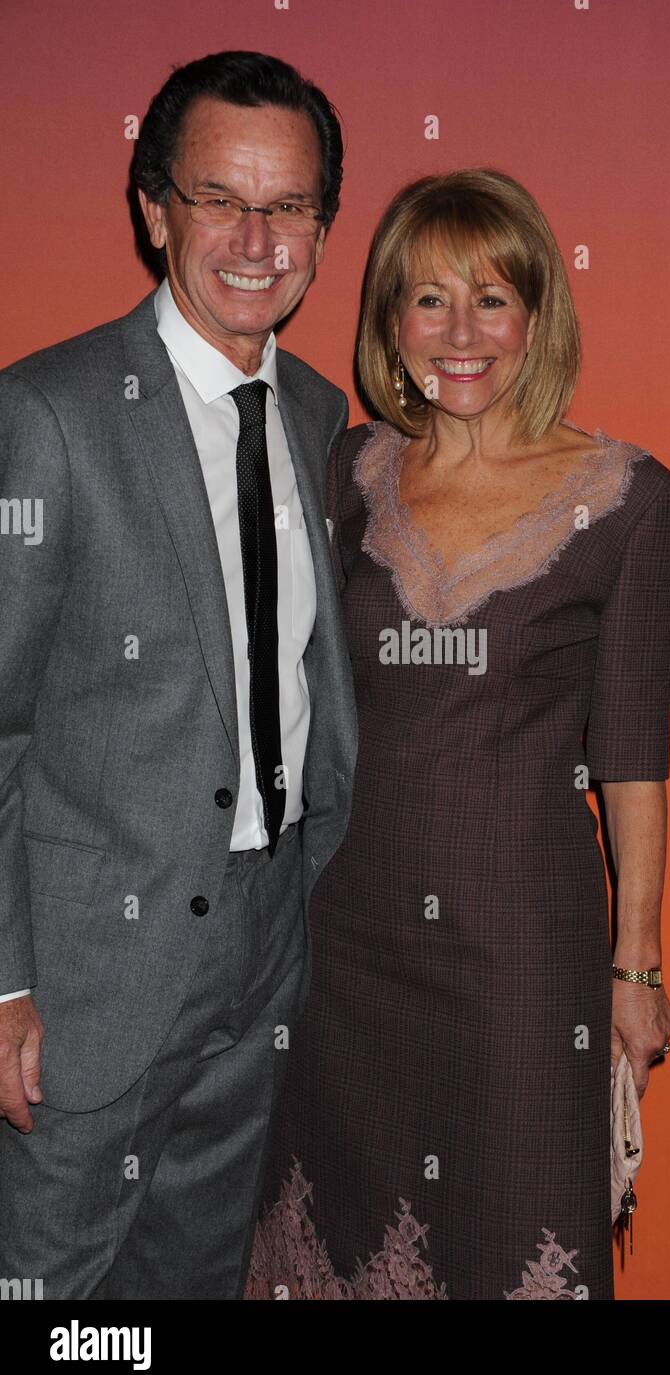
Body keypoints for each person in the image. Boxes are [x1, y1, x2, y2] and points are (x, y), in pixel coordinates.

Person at [247, 169, 670, 1302]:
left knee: (513, 1229)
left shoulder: (628, 499)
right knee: (334, 1233)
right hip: (342, 943)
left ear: (537, 316)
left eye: (492, 298)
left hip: (522, 956)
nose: (460, 332)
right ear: (389, 320)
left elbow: (631, 756)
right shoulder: (344, 471)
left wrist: (633, 968)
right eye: (427, 298)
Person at [0, 50, 356, 1299]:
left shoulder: (316, 416)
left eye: (291, 206)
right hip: (90, 971)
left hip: (264, 939)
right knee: (56, 1291)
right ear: (156, 211)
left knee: (189, 1282)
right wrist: (4, 979)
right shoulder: (49, 413)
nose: (257, 239)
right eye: (220, 198)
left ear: (323, 223)